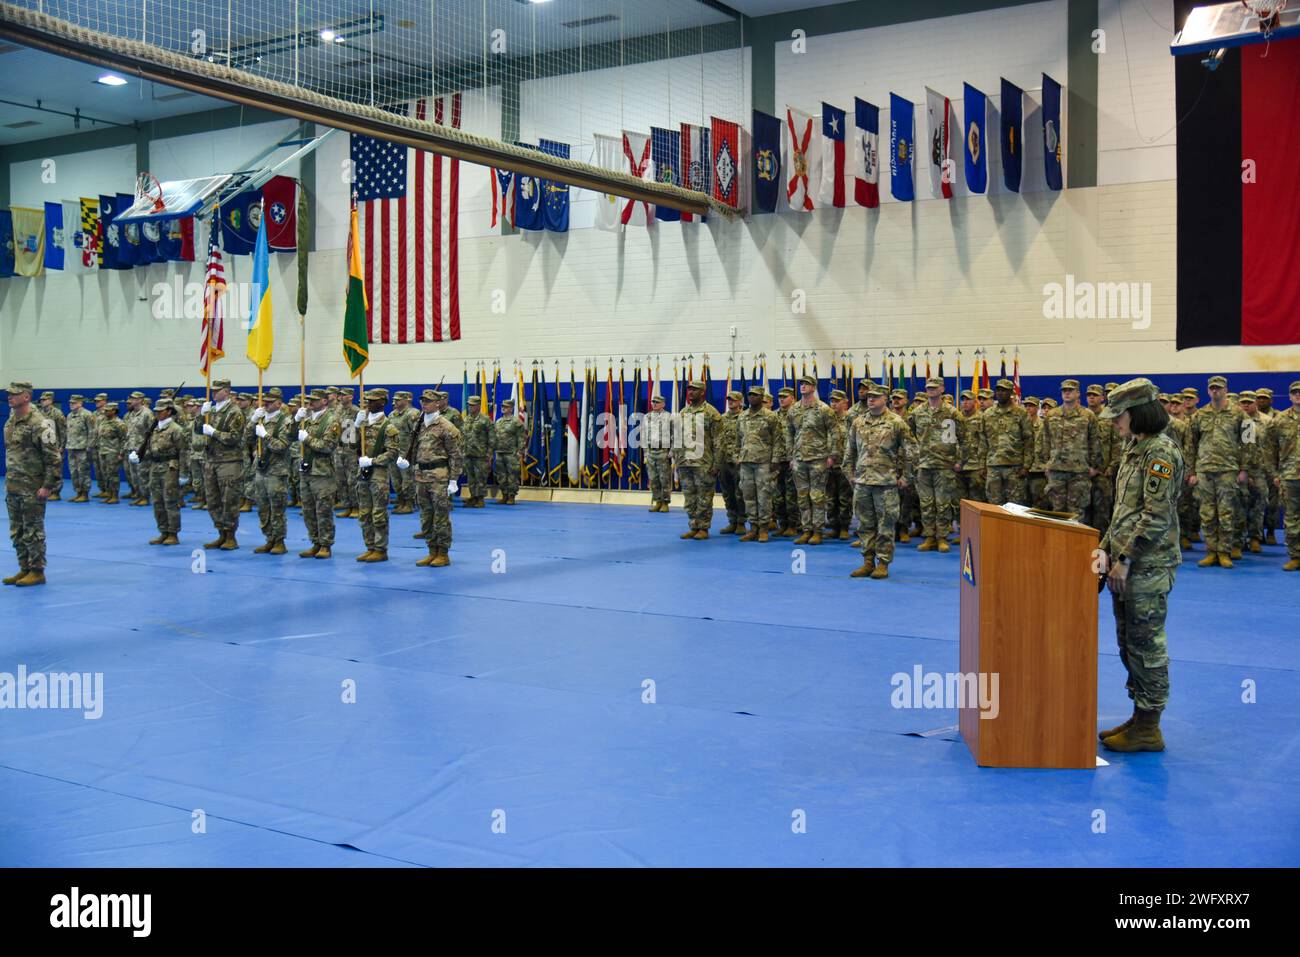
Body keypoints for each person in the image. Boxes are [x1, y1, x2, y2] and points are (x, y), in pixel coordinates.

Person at [1096, 378, 1183, 753]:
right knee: (1128, 643)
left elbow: (1156, 516)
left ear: (1139, 413)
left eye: (1120, 415)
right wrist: (1104, 549)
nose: (1115, 422)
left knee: (1146, 645)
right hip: (1125, 564)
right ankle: (1139, 715)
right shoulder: (1135, 447)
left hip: (1146, 565)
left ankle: (1150, 726)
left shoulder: (1159, 453)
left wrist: (1126, 559)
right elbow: (1123, 512)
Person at [846, 383, 909, 580]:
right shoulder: (858, 422)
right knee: (864, 525)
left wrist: (906, 476)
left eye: (875, 396)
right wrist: (849, 474)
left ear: (885, 399)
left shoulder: (896, 422)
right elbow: (849, 451)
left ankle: (882, 563)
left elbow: (911, 451)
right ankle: (867, 562)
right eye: (869, 396)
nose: (870, 399)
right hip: (863, 482)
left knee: (886, 525)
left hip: (886, 483)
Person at [3, 382, 61, 587]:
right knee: (17, 530)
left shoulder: (41, 423)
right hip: (14, 486)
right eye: (9, 394)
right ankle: (24, 567)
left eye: (15, 394)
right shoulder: (11, 421)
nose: (10, 397)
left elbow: (54, 458)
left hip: (32, 487)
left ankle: (37, 571)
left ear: (26, 396)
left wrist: (47, 486)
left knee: (33, 531)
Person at [1189, 375, 1246, 568]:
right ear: (1208, 391)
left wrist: (1244, 469)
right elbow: (1191, 445)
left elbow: (1249, 443)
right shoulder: (1199, 415)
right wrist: (1192, 471)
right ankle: (1211, 551)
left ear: (1225, 389)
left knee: (1226, 513)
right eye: (1212, 388)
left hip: (1228, 470)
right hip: (1204, 470)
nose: (1216, 391)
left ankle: (1224, 552)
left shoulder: (1240, 414)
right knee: (1207, 513)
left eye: (1219, 388)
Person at [403, 389, 463, 567]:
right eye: (423, 401)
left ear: (438, 403)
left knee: (441, 517)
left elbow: (456, 454)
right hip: (421, 477)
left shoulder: (446, 426)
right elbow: (414, 447)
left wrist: (453, 479)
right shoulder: (419, 424)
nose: (424, 404)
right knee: (426, 517)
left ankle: (443, 553)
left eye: (428, 401)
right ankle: (431, 551)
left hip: (439, 477)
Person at [909, 376, 963, 552]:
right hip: (923, 465)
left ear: (942, 389)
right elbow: (909, 438)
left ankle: (942, 537)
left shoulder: (952, 412)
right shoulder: (917, 413)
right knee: (926, 503)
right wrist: (913, 458)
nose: (931, 391)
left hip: (944, 465)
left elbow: (965, 438)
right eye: (928, 388)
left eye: (934, 388)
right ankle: (929, 536)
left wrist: (960, 460)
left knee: (943, 503)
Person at [199, 378, 248, 550]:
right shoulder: (211, 411)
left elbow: (235, 438)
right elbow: (198, 430)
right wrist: (200, 416)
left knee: (229, 500)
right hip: (211, 460)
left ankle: (230, 536)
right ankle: (220, 534)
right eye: (213, 390)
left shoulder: (234, 412)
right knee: (213, 500)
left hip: (229, 461)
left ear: (227, 392)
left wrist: (214, 432)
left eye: (217, 390)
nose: (214, 393)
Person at [1041, 378, 1100, 520]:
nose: (1067, 393)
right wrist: (1046, 464)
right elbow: (1045, 441)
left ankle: (1077, 543)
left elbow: (1095, 441)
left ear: (1078, 393)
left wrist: (1094, 466)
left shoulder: (1088, 416)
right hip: (1056, 470)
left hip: (1079, 471)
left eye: (1070, 390)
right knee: (1057, 512)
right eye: (1064, 391)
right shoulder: (1052, 415)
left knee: (1077, 513)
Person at [355, 388, 401, 562]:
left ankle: (380, 549)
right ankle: (370, 546)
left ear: (382, 402)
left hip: (378, 475)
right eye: (367, 400)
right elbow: (350, 446)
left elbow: (392, 453)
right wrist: (355, 426)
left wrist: (372, 461)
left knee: (378, 513)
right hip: (363, 474)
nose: (368, 403)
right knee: (364, 513)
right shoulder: (363, 423)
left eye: (372, 400)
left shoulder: (388, 427)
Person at [788, 374, 835, 546]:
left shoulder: (823, 409)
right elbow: (789, 433)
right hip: (799, 458)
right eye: (801, 384)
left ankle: (818, 531)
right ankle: (806, 529)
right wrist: (790, 456)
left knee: (817, 496)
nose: (803, 386)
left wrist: (832, 455)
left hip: (818, 459)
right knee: (802, 496)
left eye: (807, 384)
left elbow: (834, 432)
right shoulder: (794, 409)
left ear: (814, 388)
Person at [297, 388, 343, 559]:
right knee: (308, 510)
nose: (310, 403)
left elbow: (327, 446)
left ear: (324, 401)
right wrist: (296, 420)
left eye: (315, 400)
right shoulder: (307, 420)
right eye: (309, 400)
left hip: (322, 473)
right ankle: (315, 542)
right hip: (307, 470)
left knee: (323, 511)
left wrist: (307, 438)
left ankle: (325, 544)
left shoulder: (332, 421)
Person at [248, 387, 293, 555]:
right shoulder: (261, 420)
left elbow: (281, 446)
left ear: (279, 403)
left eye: (270, 402)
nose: (266, 404)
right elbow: (246, 439)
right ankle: (269, 539)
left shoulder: (285, 421)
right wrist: (253, 421)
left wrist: (265, 435)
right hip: (261, 469)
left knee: (277, 508)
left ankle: (279, 541)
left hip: (276, 470)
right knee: (263, 507)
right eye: (264, 401)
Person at [737, 386, 782, 542]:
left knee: (764, 496)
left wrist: (776, 460)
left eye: (755, 395)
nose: (752, 398)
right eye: (750, 395)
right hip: (746, 461)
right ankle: (753, 527)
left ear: (762, 397)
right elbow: (738, 439)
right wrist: (737, 457)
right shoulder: (742, 417)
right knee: (748, 496)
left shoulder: (770, 417)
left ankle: (763, 528)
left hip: (764, 462)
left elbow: (778, 440)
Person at [676, 380, 719, 539]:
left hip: (704, 463)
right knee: (690, 497)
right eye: (689, 390)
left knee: (704, 497)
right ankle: (693, 525)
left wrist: (716, 464)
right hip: (685, 462)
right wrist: (677, 458)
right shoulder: (683, 412)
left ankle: (703, 528)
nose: (690, 392)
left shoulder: (711, 413)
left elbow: (719, 441)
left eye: (694, 390)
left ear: (702, 392)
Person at [139, 398, 185, 545]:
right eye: (156, 411)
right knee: (157, 501)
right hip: (155, 467)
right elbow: (152, 449)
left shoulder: (176, 429)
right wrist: (139, 455)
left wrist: (183, 473)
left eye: (161, 411)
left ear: (169, 411)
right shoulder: (155, 429)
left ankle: (173, 533)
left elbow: (183, 452)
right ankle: (163, 531)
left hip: (170, 468)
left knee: (170, 501)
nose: (157, 413)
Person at [982, 378, 1033, 506]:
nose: (1000, 393)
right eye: (998, 390)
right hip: (993, 466)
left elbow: (1028, 440)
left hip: (1014, 467)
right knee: (994, 506)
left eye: (1003, 390)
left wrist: (1026, 466)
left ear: (1010, 392)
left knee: (1015, 506)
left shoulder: (1021, 413)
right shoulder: (988, 414)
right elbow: (983, 441)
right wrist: (982, 465)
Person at [1266, 381, 1300, 571]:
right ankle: (1295, 556)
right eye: (1294, 392)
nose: (1298, 395)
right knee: (1291, 518)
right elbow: (1269, 450)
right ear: (1289, 396)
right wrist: (1274, 473)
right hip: (1289, 476)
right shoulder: (1279, 420)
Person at [716, 391, 745, 534]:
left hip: (739, 462)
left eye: (734, 400)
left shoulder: (745, 418)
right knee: (727, 494)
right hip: (724, 461)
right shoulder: (721, 418)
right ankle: (732, 521)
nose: (730, 402)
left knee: (740, 493)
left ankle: (741, 522)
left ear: (740, 402)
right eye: (729, 400)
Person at [826, 389, 853, 541]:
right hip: (828, 464)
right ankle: (834, 526)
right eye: (832, 401)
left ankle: (844, 527)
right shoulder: (826, 419)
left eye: (837, 401)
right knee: (830, 498)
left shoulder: (851, 419)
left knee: (844, 498)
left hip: (844, 464)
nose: (834, 404)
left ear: (845, 402)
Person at [492, 398, 528, 504]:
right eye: (503, 406)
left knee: (512, 476)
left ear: (511, 409)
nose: (503, 408)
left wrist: (519, 452)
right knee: (501, 475)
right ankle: (504, 495)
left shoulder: (516, 422)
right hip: (499, 452)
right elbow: (494, 437)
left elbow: (521, 438)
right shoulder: (498, 421)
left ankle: (511, 496)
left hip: (511, 453)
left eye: (506, 407)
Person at [644, 394, 673, 512]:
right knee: (653, 479)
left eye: (657, 402)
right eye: (653, 402)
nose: (654, 404)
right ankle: (657, 501)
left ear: (663, 404)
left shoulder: (669, 417)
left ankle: (665, 503)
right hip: (651, 452)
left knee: (664, 479)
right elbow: (644, 435)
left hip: (663, 452)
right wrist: (645, 452)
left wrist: (672, 451)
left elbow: (675, 435)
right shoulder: (647, 417)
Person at [38, 391, 67, 500]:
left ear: (50, 400)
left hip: (55, 446)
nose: (42, 402)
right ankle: (46, 490)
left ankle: (56, 492)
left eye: (44, 400)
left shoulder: (57, 413)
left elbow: (63, 431)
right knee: (44, 470)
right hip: (43, 446)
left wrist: (62, 446)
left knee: (56, 469)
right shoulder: (39, 413)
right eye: (41, 400)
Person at [65, 394, 94, 502]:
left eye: (74, 403)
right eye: (70, 403)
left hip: (82, 448)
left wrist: (89, 447)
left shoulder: (87, 414)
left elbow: (92, 431)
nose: (71, 405)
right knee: (73, 471)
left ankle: (85, 494)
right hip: (71, 447)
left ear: (80, 403)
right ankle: (78, 492)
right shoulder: (69, 415)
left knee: (83, 471)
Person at [97, 402, 127, 504]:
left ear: (114, 411)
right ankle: (109, 494)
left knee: (113, 474)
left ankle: (115, 496)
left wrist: (121, 453)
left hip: (113, 452)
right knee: (105, 474)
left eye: (107, 410)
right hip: (103, 451)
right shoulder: (102, 421)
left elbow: (124, 439)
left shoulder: (119, 424)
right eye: (105, 410)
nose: (105, 412)